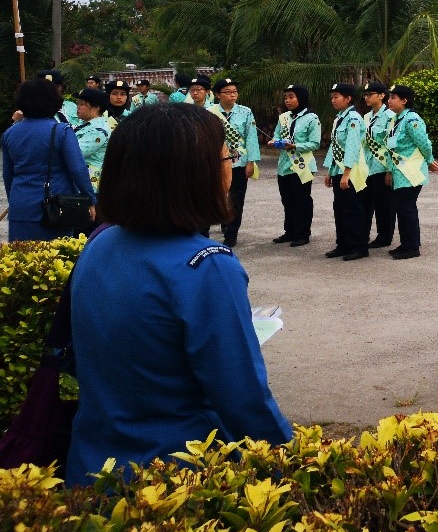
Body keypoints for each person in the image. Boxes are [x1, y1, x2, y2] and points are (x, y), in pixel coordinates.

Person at [65, 103, 293, 482]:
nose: (230, 164)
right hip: (174, 476)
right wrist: (287, 456)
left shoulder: (100, 243)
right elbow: (241, 395)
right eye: (226, 155)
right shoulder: (206, 264)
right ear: (192, 174)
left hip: (93, 464)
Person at [2, 79, 96, 241]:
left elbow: (8, 175)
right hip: (57, 207)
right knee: (57, 260)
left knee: (22, 260)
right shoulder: (62, 131)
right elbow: (77, 169)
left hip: (21, 206)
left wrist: (16, 201)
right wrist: (89, 198)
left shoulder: (10, 133)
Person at [383, 83, 438, 259]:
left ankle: (412, 247)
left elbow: (423, 142)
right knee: (402, 208)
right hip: (400, 171)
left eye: (393, 98)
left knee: (407, 208)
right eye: (389, 97)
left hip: (411, 171)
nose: (389, 101)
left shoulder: (412, 119)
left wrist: (430, 160)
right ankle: (406, 243)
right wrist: (390, 170)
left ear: (404, 100)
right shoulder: (397, 119)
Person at [269, 84, 320, 247]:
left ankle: (303, 233)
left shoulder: (312, 118)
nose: (288, 100)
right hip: (284, 166)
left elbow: (315, 143)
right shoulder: (283, 117)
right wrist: (275, 142)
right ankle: (289, 231)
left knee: (302, 200)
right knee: (287, 200)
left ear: (301, 98)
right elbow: (277, 135)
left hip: (302, 166)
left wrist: (295, 146)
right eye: (286, 98)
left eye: (291, 97)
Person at [211, 77, 259, 248]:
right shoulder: (210, 112)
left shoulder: (245, 112)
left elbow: (251, 137)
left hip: (239, 162)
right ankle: (215, 225)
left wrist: (251, 162)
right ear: (218, 95)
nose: (232, 95)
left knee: (237, 199)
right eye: (228, 92)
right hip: (217, 163)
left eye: (234, 92)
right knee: (215, 197)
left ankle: (231, 233)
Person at [323, 82, 369, 261]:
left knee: (353, 209)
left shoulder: (354, 119)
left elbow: (352, 147)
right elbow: (334, 147)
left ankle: (359, 247)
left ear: (348, 99)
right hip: (339, 170)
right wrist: (330, 171)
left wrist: (347, 173)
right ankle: (343, 244)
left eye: (336, 97)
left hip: (352, 171)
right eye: (332, 97)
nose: (333, 100)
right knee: (340, 209)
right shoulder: (339, 118)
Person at [359, 81, 396, 248]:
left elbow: (392, 144)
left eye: (370, 94)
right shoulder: (366, 117)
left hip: (382, 166)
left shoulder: (390, 117)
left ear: (381, 96)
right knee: (365, 203)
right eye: (365, 95)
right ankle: (362, 234)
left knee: (384, 205)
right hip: (367, 167)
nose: (366, 97)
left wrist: (390, 169)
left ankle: (384, 236)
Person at [73, 87, 111, 193]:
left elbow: (75, 152)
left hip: (90, 185)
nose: (78, 107)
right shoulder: (84, 125)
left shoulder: (99, 130)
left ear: (96, 107)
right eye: (78, 103)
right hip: (79, 182)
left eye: (82, 104)